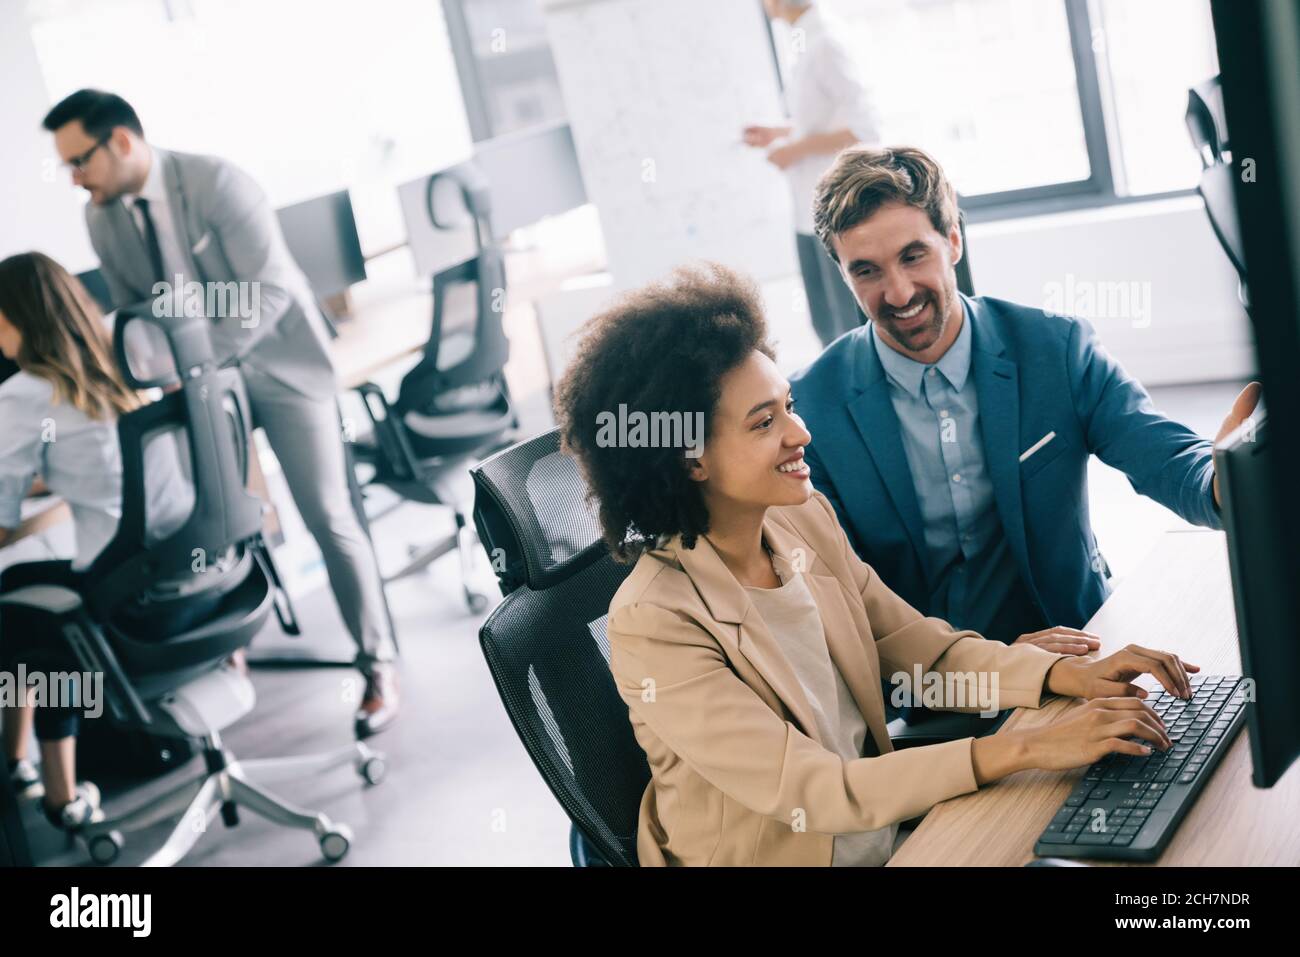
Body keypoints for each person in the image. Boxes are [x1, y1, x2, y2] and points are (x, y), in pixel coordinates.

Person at [554, 262, 1195, 867]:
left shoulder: (801, 520)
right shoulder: (653, 621)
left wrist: (1067, 676)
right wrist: (1026, 746)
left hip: (885, 826)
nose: (799, 434)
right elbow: (815, 791)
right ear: (689, 458)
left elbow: (923, 656)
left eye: (789, 407)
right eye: (762, 422)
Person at [790, 145, 1261, 648]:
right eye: (867, 271)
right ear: (843, 273)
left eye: (913, 256)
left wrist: (1226, 478)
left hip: (1079, 657)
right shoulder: (812, 406)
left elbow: (1164, 457)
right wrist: (996, 669)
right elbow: (840, 596)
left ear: (952, 241)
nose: (900, 293)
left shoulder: (1055, 349)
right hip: (929, 693)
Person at [42, 89, 399, 737]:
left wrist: (202, 364)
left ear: (121, 141)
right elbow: (135, 313)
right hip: (199, 382)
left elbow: (266, 292)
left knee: (327, 513)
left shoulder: (218, 184)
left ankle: (378, 664)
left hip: (280, 366)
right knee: (205, 516)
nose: (74, 178)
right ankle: (224, 651)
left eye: (79, 161)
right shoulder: (103, 218)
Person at [0, 252, 195, 830]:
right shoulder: (128, 354)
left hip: (135, 601)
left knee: (34, 616)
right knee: (21, 590)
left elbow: (3, 523)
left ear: (19, 320)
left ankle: (56, 794)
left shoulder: (26, 394)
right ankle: (19, 761)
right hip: (202, 576)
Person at [743, 0, 878, 346]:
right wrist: (781, 133)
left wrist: (794, 150)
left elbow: (864, 132)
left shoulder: (827, 43)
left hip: (833, 212)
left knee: (846, 329)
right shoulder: (805, 41)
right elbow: (824, 122)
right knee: (825, 324)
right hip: (808, 213)